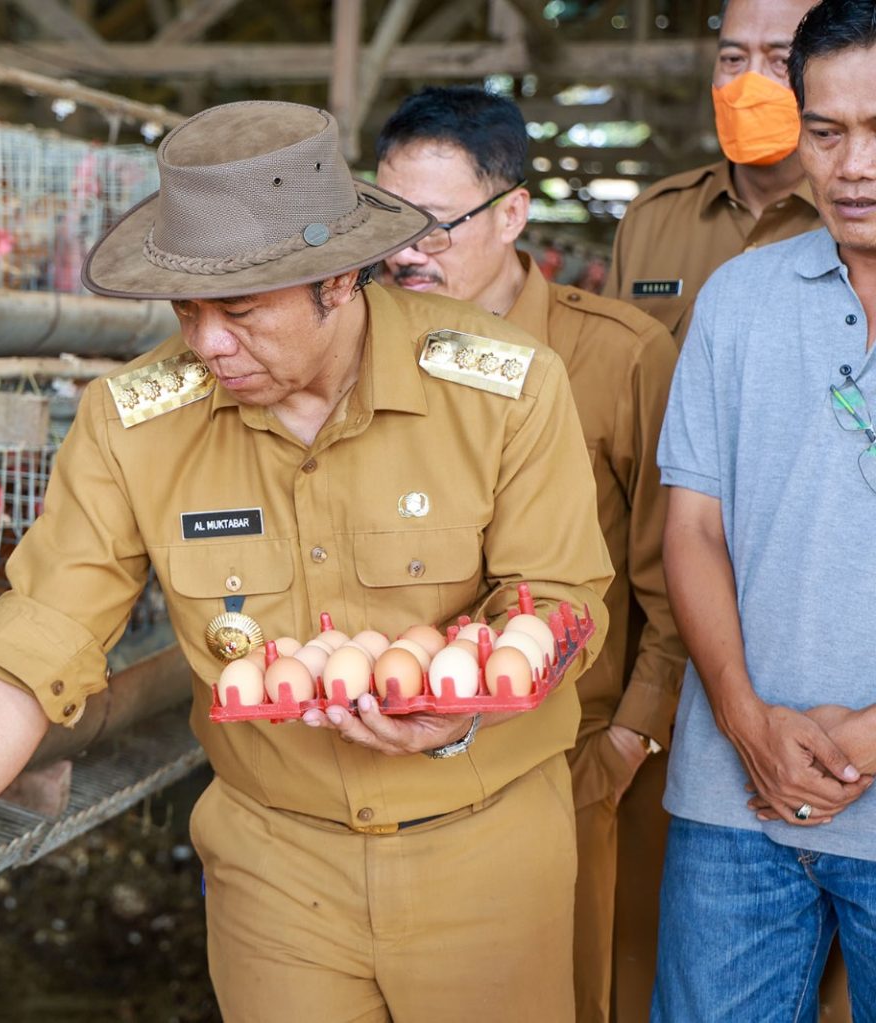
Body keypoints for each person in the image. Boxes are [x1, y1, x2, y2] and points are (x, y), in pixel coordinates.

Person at [0, 100, 613, 1022]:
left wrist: (456, 716)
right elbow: (33, 644)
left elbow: (560, 600)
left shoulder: (502, 386)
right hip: (277, 868)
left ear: (339, 281)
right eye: (187, 309)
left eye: (241, 311)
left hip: (484, 851)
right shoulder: (135, 423)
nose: (207, 343)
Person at [373, 86, 684, 1023]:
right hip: (385, 741)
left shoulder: (620, 357)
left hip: (564, 753)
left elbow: (670, 567)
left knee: (574, 989)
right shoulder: (360, 346)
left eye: (434, 227)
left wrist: (629, 736)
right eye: (388, 221)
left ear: (513, 212)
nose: (404, 252)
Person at [652, 2, 876, 1018]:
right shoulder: (738, 295)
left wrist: (867, 741)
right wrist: (744, 721)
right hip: (731, 800)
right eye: (826, 132)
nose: (853, 165)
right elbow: (691, 526)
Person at [603, 0, 823, 348]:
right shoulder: (652, 218)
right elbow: (614, 372)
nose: (750, 83)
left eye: (781, 61)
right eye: (733, 59)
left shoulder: (855, 221)